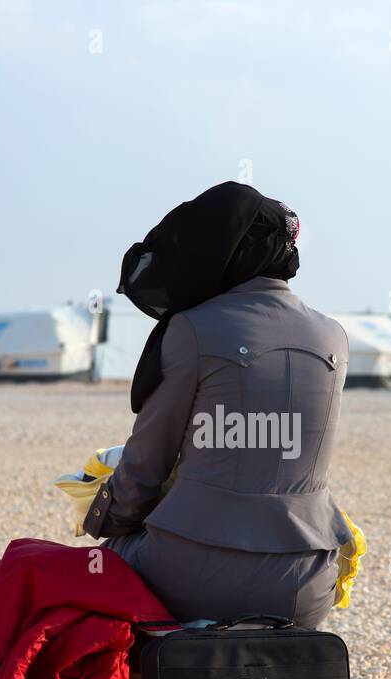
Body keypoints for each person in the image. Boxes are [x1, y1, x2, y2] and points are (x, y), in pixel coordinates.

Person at [83, 182, 351, 629]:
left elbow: (144, 469)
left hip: (193, 582)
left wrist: (102, 517)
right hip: (307, 584)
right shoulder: (333, 335)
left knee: (98, 568)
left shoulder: (191, 329)